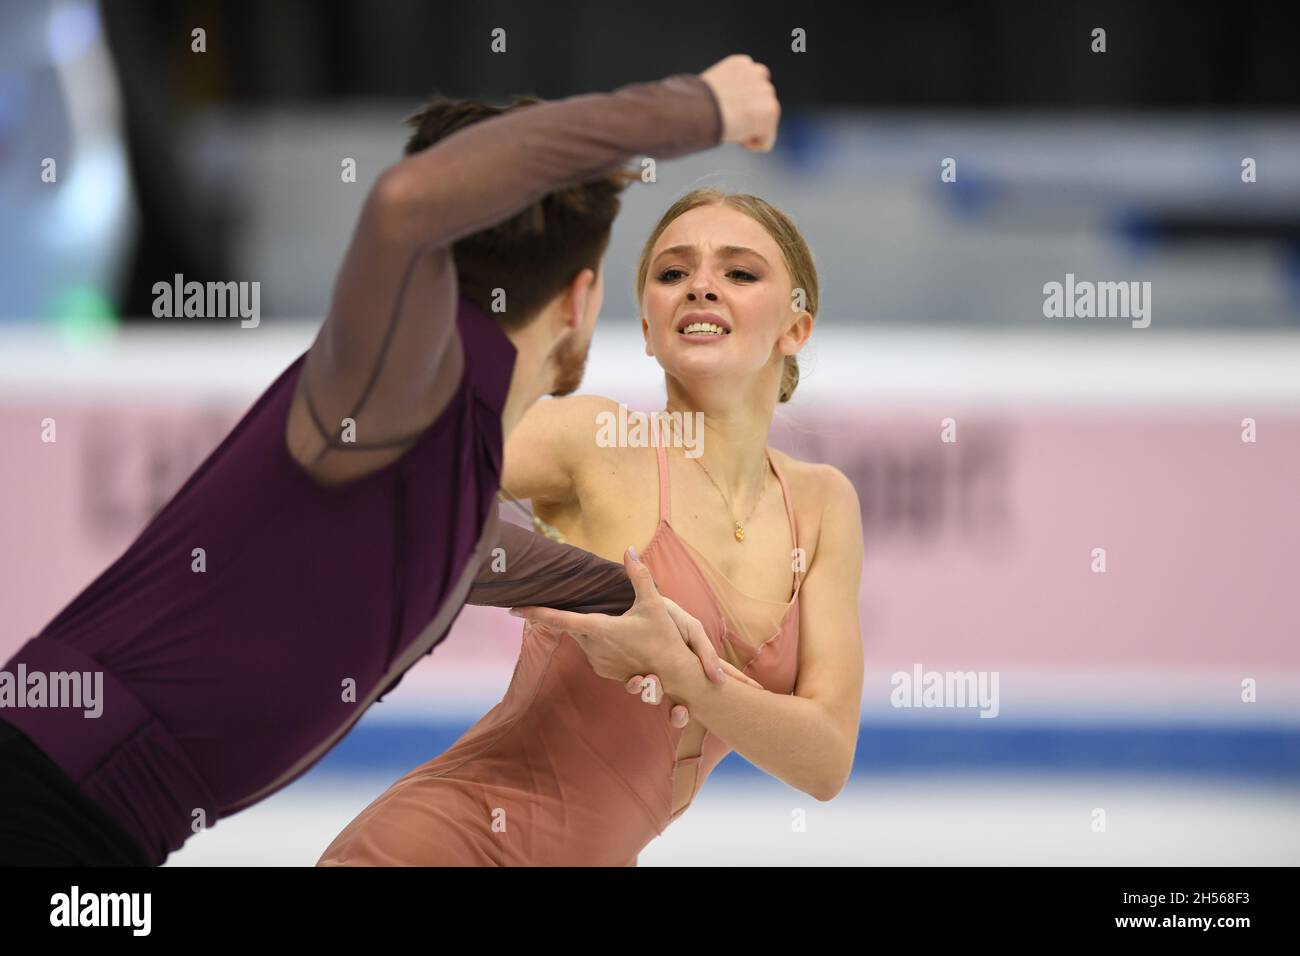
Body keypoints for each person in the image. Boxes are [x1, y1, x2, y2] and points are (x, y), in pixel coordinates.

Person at [0, 56, 781, 865]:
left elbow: (483, 555)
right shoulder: (407, 383)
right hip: (43, 809)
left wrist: (636, 598)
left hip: (86, 823)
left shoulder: (447, 454)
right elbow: (405, 204)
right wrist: (698, 106)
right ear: (581, 298)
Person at [316, 188, 865, 866]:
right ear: (646, 324)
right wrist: (551, 578)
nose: (700, 286)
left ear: (796, 327)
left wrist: (685, 674)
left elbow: (825, 761)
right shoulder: (596, 440)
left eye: (739, 272)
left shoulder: (822, 504)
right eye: (672, 273)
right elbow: (381, 488)